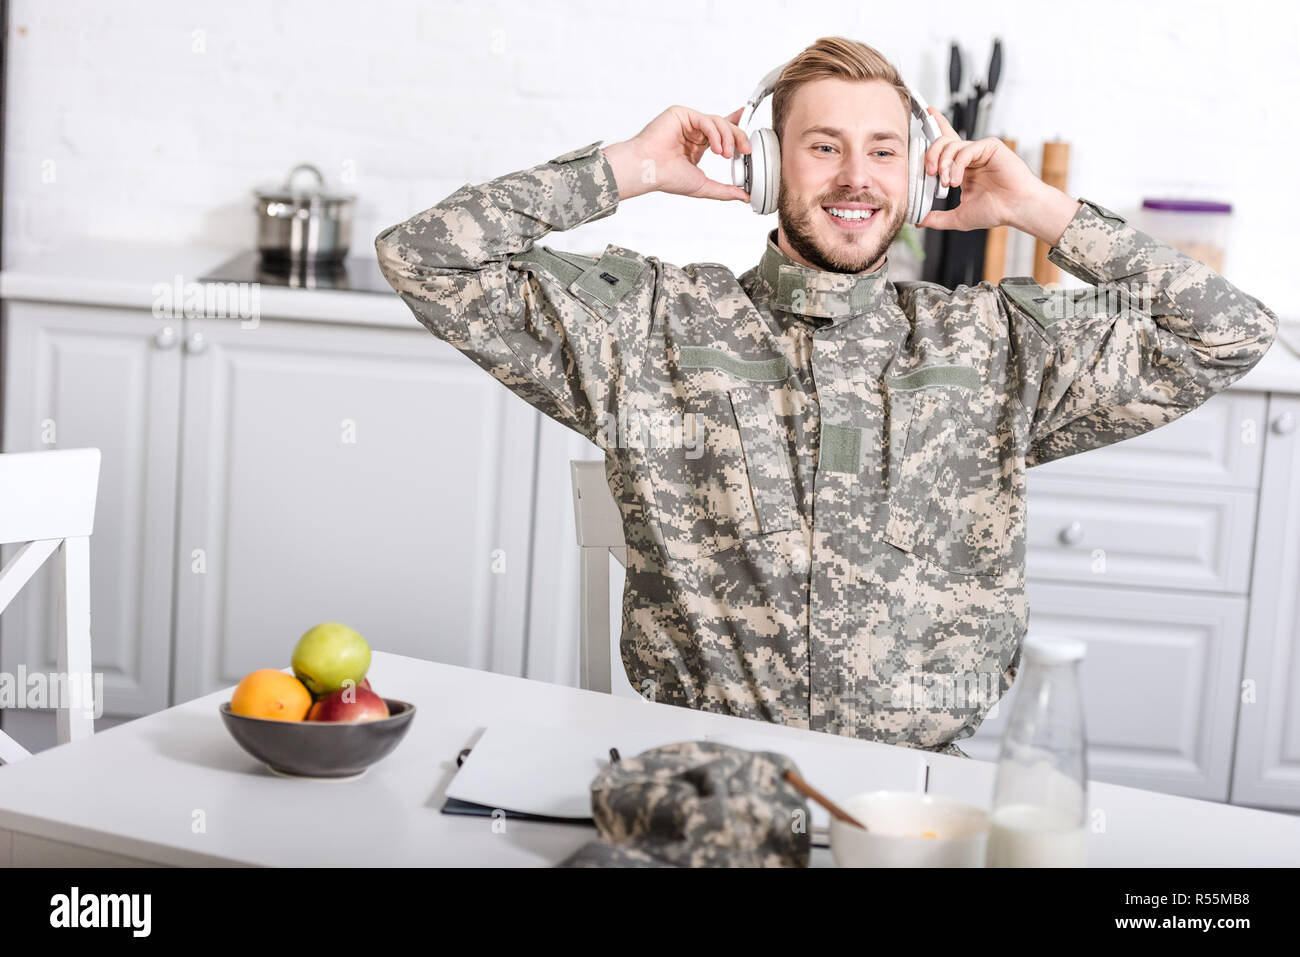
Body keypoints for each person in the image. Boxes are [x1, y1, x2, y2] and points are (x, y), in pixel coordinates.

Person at [375, 36, 1277, 758]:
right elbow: (425, 257)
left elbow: (1230, 331)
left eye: (883, 151)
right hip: (701, 772)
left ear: (920, 174)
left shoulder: (996, 340)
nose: (856, 177)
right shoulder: (652, 325)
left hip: (918, 793)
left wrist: (1038, 209)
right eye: (823, 147)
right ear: (768, 168)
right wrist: (631, 167)